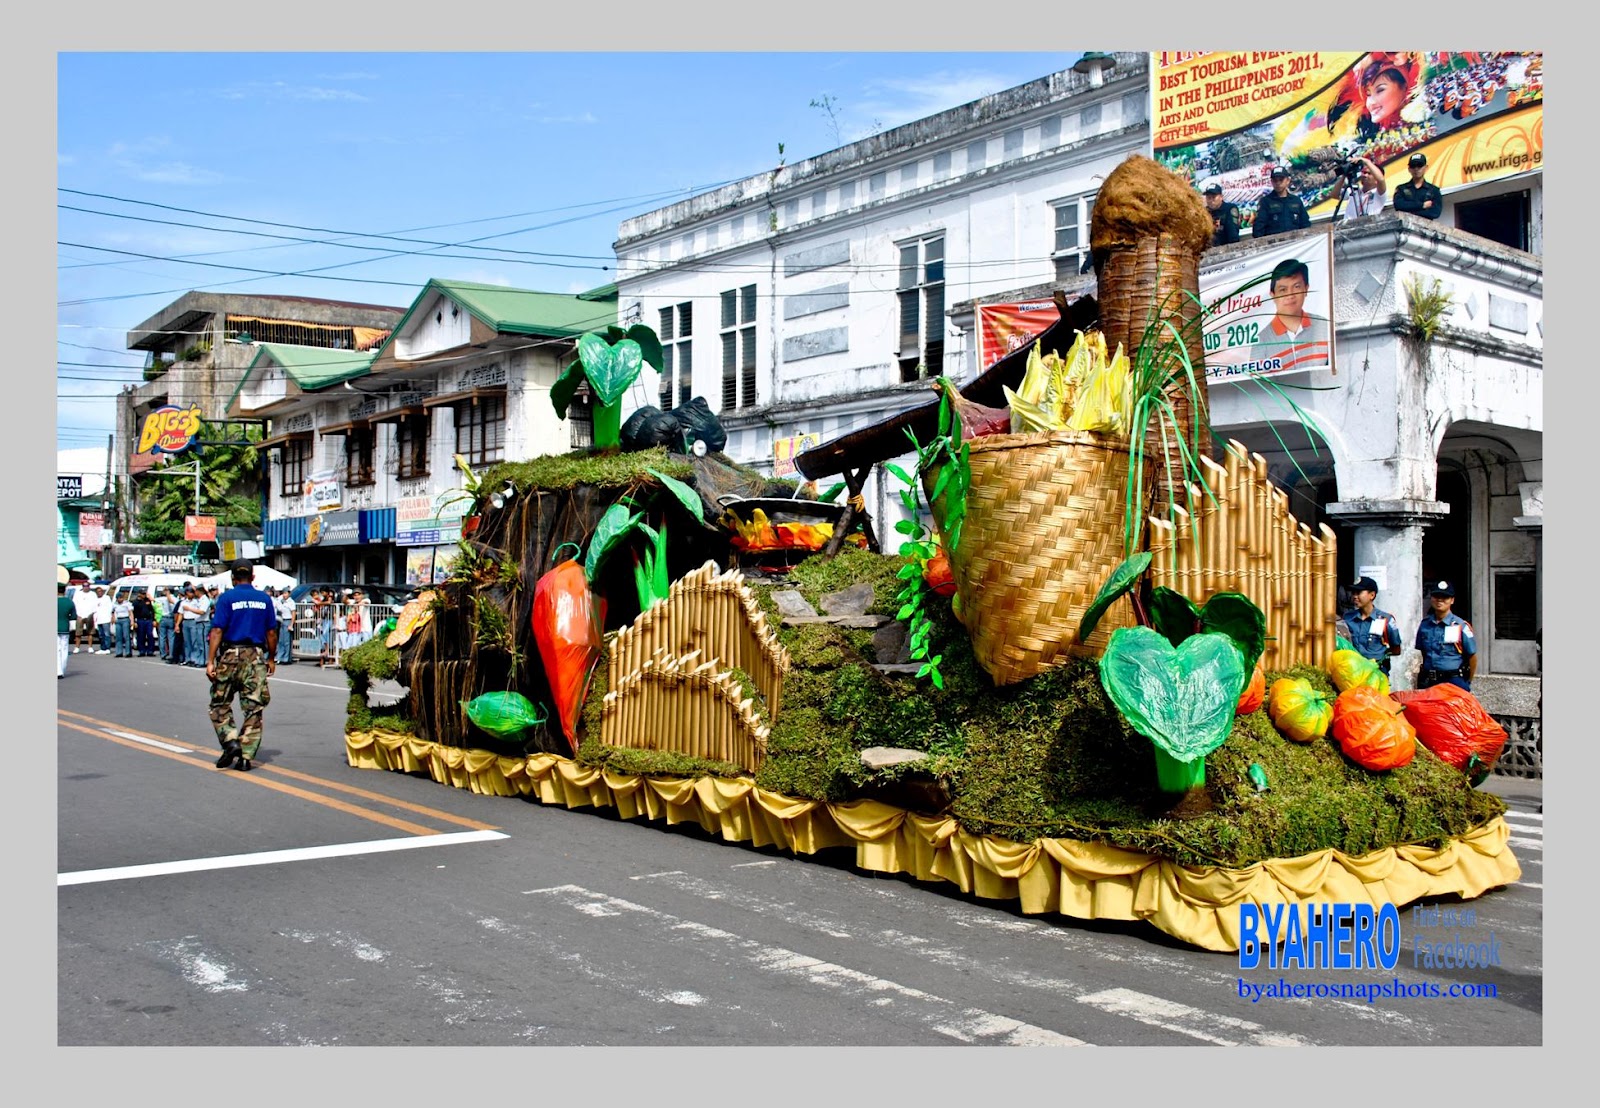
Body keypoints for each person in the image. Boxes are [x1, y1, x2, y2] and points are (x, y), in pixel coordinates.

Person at [206, 560, 279, 773]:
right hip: (255, 656)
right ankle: (246, 756)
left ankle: (230, 741)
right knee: (254, 707)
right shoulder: (264, 599)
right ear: (253, 577)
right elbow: (271, 633)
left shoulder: (226, 598)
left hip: (230, 654)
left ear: (232, 577)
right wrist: (272, 658)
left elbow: (217, 630)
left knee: (219, 703)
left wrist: (211, 660)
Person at [1248, 258, 1330, 372]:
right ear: (1273, 294)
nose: (1290, 295)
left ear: (1306, 289)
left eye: (1296, 287)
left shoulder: (1324, 326)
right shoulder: (1261, 341)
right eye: (1283, 290)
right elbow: (1258, 384)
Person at [1415, 579, 1477, 691]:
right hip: (1429, 682)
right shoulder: (1425, 625)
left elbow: (1472, 657)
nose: (1440, 600)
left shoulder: (1461, 626)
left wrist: (1467, 682)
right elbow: (1424, 652)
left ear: (1452, 600)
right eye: (1436, 596)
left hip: (1453, 682)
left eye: (1445, 597)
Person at [1340, 576, 1403, 675]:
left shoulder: (1385, 620)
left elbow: (1396, 649)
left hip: (1377, 674)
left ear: (1372, 595)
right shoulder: (1347, 619)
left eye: (1359, 592)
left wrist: (1379, 656)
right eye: (1353, 593)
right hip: (1353, 674)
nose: (1355, 596)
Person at [1251, 167, 1310, 239]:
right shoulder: (1265, 202)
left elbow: (1306, 225)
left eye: (1281, 180)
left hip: (1296, 245)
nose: (1278, 183)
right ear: (1271, 182)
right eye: (1275, 180)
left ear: (1288, 180)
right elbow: (1258, 230)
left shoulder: (1296, 201)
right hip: (1275, 246)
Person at [1392, 152, 1444, 221]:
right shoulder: (1401, 189)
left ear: (1426, 167)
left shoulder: (1434, 190)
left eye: (1419, 165)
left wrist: (1410, 210)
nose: (1416, 169)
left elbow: (1435, 213)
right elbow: (1399, 206)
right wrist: (1422, 205)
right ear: (1409, 169)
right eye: (1413, 166)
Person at [1333, 155, 1386, 219]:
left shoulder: (1378, 193)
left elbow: (1381, 179)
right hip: (1349, 226)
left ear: (1376, 180)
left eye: (1369, 174)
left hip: (1369, 226)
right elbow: (1334, 195)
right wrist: (1345, 174)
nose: (1365, 175)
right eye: (1364, 172)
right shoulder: (1354, 190)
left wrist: (1367, 161)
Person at [180, 584, 210, 667]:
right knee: (199, 643)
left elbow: (202, 612)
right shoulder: (200, 600)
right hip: (198, 623)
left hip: (203, 623)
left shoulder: (205, 600)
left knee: (203, 643)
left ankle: (204, 661)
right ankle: (199, 660)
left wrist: (189, 609)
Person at [272, 587, 297, 664]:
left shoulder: (291, 602)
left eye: (286, 593)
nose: (284, 595)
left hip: (288, 620)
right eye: (283, 593)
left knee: (287, 641)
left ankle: (286, 658)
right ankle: (280, 657)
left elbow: (293, 613)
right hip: (283, 620)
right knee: (281, 640)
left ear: (289, 594)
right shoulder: (281, 601)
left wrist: (291, 624)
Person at [72, 582, 98, 653]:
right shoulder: (78, 594)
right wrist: (77, 614)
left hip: (90, 615)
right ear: (82, 586)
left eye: (87, 586)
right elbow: (74, 604)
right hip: (80, 615)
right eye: (84, 586)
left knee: (90, 632)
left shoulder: (93, 594)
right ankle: (77, 647)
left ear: (89, 586)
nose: (86, 587)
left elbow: (96, 604)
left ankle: (90, 647)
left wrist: (93, 613)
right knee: (78, 633)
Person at [57, 582, 75, 679]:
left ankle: (58, 670)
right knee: (64, 649)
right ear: (64, 591)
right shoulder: (69, 602)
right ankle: (62, 670)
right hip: (65, 628)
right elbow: (73, 616)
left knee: (56, 650)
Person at [132, 589, 157, 656]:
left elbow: (152, 610)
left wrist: (154, 620)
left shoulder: (147, 600)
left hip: (148, 620)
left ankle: (150, 651)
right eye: (142, 594)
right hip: (140, 620)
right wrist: (134, 622)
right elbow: (133, 613)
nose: (144, 595)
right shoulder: (135, 602)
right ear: (139, 594)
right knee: (141, 636)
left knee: (150, 635)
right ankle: (142, 651)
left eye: (144, 594)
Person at [154, 587, 176, 662]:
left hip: (164, 618)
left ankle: (163, 654)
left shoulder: (163, 599)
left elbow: (153, 599)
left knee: (162, 637)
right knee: (171, 638)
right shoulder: (176, 599)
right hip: (171, 618)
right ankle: (171, 654)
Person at [93, 586, 114, 654]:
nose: (99, 593)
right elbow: (95, 610)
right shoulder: (95, 599)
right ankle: (102, 648)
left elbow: (110, 608)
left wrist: (110, 616)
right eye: (98, 592)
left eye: (101, 591)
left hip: (106, 619)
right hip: (99, 620)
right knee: (101, 635)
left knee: (107, 634)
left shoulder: (106, 598)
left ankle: (107, 648)